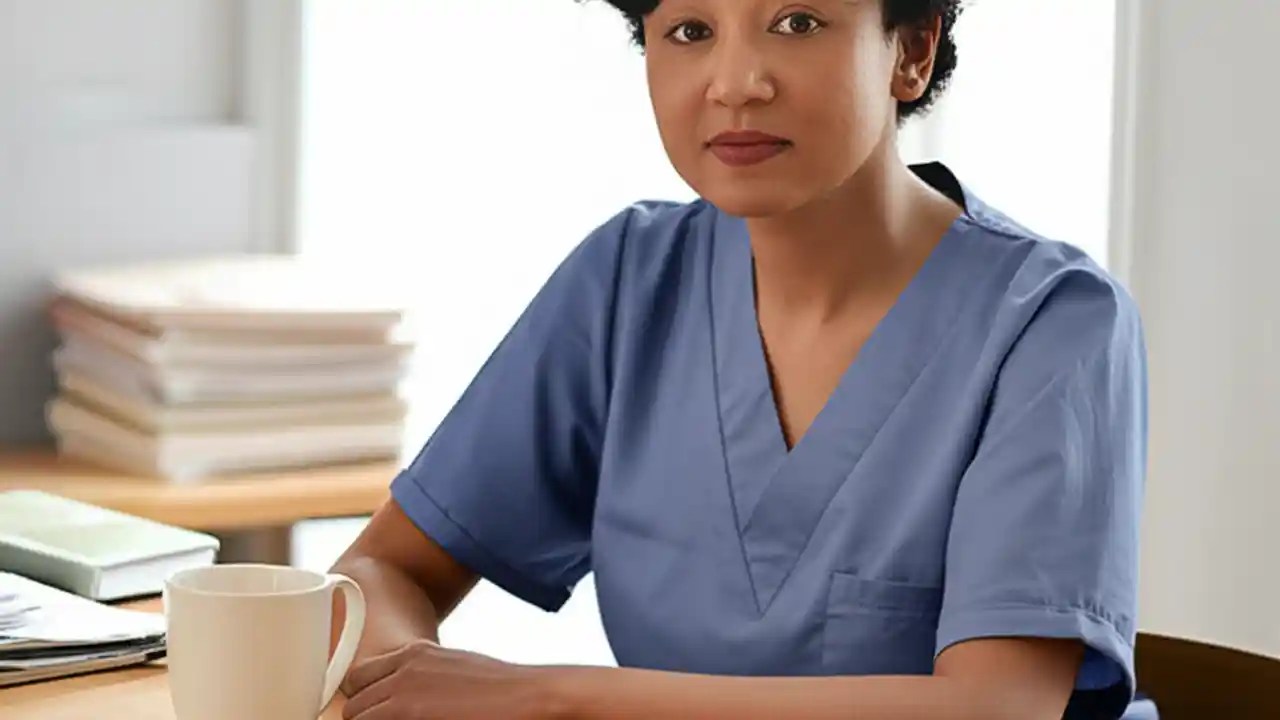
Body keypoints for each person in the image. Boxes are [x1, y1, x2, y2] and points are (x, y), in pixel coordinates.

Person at [331, 1, 1147, 718]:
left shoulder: (1051, 323)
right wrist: (399, 689)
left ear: (912, 51)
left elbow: (994, 711)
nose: (734, 84)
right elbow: (379, 571)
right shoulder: (627, 281)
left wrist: (548, 698)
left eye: (798, 23)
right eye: (690, 30)